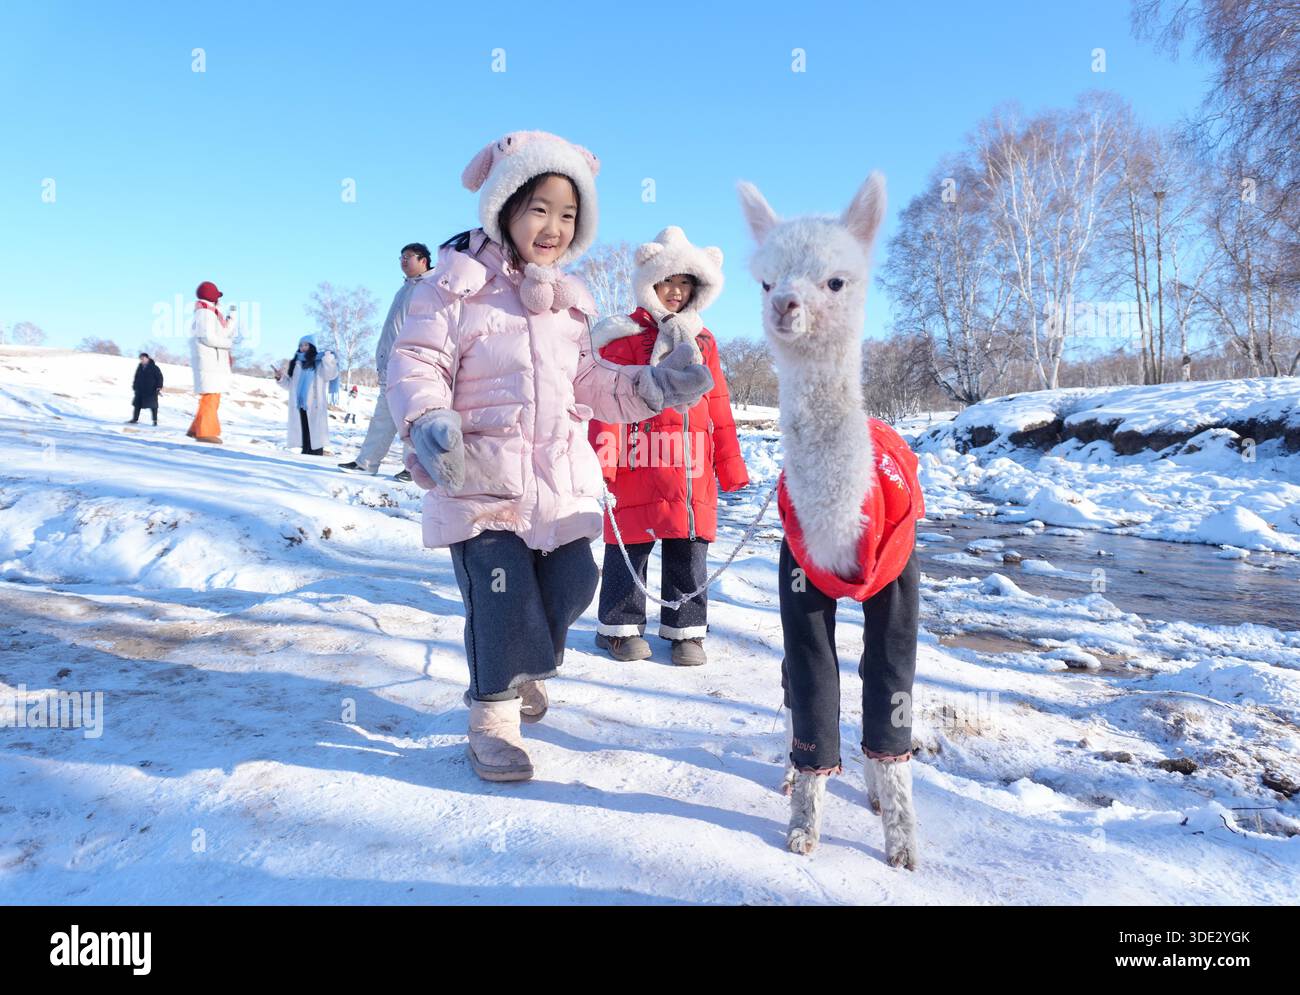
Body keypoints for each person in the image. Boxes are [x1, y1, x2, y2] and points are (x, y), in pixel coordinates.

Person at [386, 130, 714, 782]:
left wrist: (655, 387)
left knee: (576, 582)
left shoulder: (570, 302)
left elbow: (590, 386)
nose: (554, 226)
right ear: (505, 204)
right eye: (540, 208)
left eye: (569, 214)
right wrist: (427, 423)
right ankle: (493, 720)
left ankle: (526, 659)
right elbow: (416, 361)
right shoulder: (454, 288)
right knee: (502, 593)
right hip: (477, 475)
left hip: (558, 481)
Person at [586, 227, 749, 667]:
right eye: (667, 283)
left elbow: (717, 403)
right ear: (651, 285)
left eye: (684, 284)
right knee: (631, 542)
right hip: (639, 458)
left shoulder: (705, 341)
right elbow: (609, 402)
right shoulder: (622, 337)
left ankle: (686, 631)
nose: (675, 292)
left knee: (689, 542)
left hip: (693, 463)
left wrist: (730, 464)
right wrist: (602, 462)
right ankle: (618, 628)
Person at [339, 242, 435, 482]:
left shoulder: (431, 287)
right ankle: (367, 463)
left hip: (413, 364)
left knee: (413, 416)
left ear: (423, 260)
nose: (403, 261)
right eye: (401, 257)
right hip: (390, 365)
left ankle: (413, 468)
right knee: (383, 417)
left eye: (409, 257)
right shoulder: (405, 288)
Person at [274, 334, 339, 456]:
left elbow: (331, 375)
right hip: (300, 405)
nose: (303, 348)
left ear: (312, 346)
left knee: (315, 439)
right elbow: (291, 386)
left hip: (314, 404)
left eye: (306, 345)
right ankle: (305, 457)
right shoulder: (297, 363)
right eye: (301, 345)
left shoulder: (320, 362)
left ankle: (315, 460)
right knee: (304, 436)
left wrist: (329, 360)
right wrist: (280, 377)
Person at [186, 281, 235, 444]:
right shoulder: (204, 313)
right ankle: (205, 432)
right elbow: (208, 338)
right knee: (211, 396)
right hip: (209, 362)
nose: (218, 300)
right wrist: (228, 345)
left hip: (213, 363)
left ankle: (196, 429)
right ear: (212, 297)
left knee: (212, 395)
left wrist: (232, 319)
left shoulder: (211, 313)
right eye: (217, 296)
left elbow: (224, 333)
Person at [129, 352, 164, 425]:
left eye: (143, 358)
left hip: (151, 390)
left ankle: (155, 421)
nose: (142, 360)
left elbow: (160, 378)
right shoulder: (140, 367)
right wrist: (135, 386)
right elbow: (136, 377)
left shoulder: (154, 367)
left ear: (147, 358)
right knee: (137, 405)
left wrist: (159, 387)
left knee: (153, 406)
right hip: (140, 390)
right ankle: (135, 419)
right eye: (141, 359)